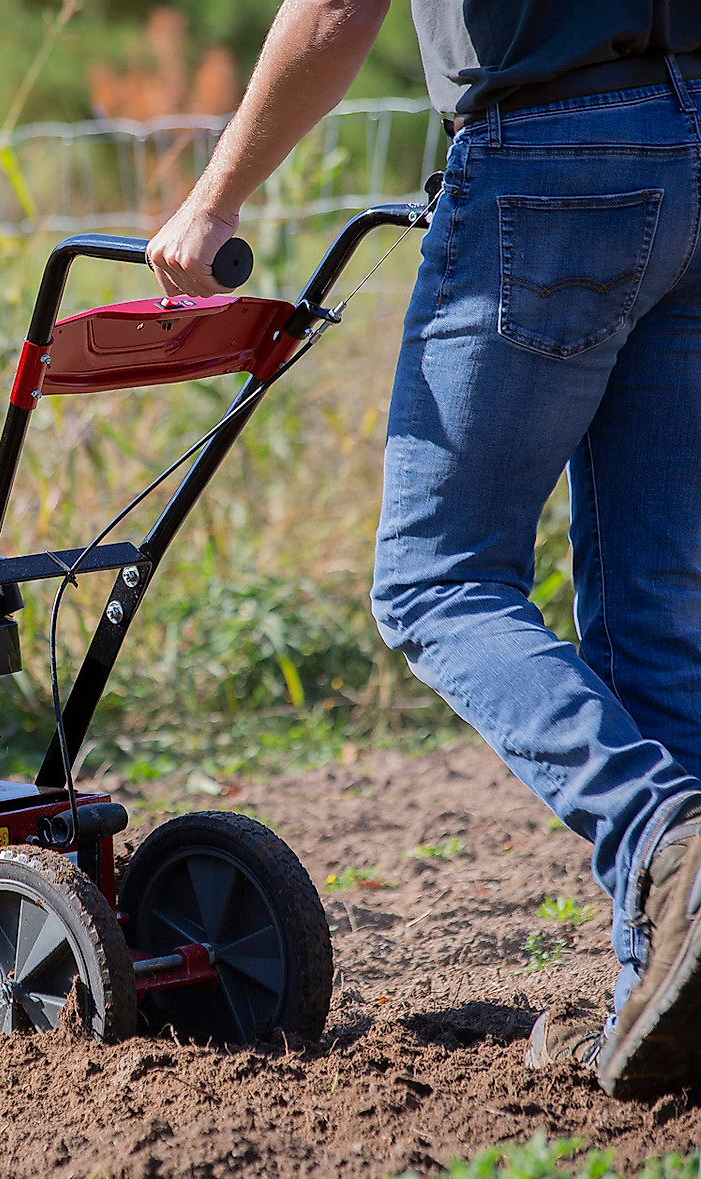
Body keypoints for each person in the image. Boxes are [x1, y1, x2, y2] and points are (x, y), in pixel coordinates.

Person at [147, 0, 701, 1099]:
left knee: (438, 578)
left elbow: (338, 8)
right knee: (657, 605)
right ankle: (666, 995)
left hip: (553, 157)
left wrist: (214, 198)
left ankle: (665, 843)